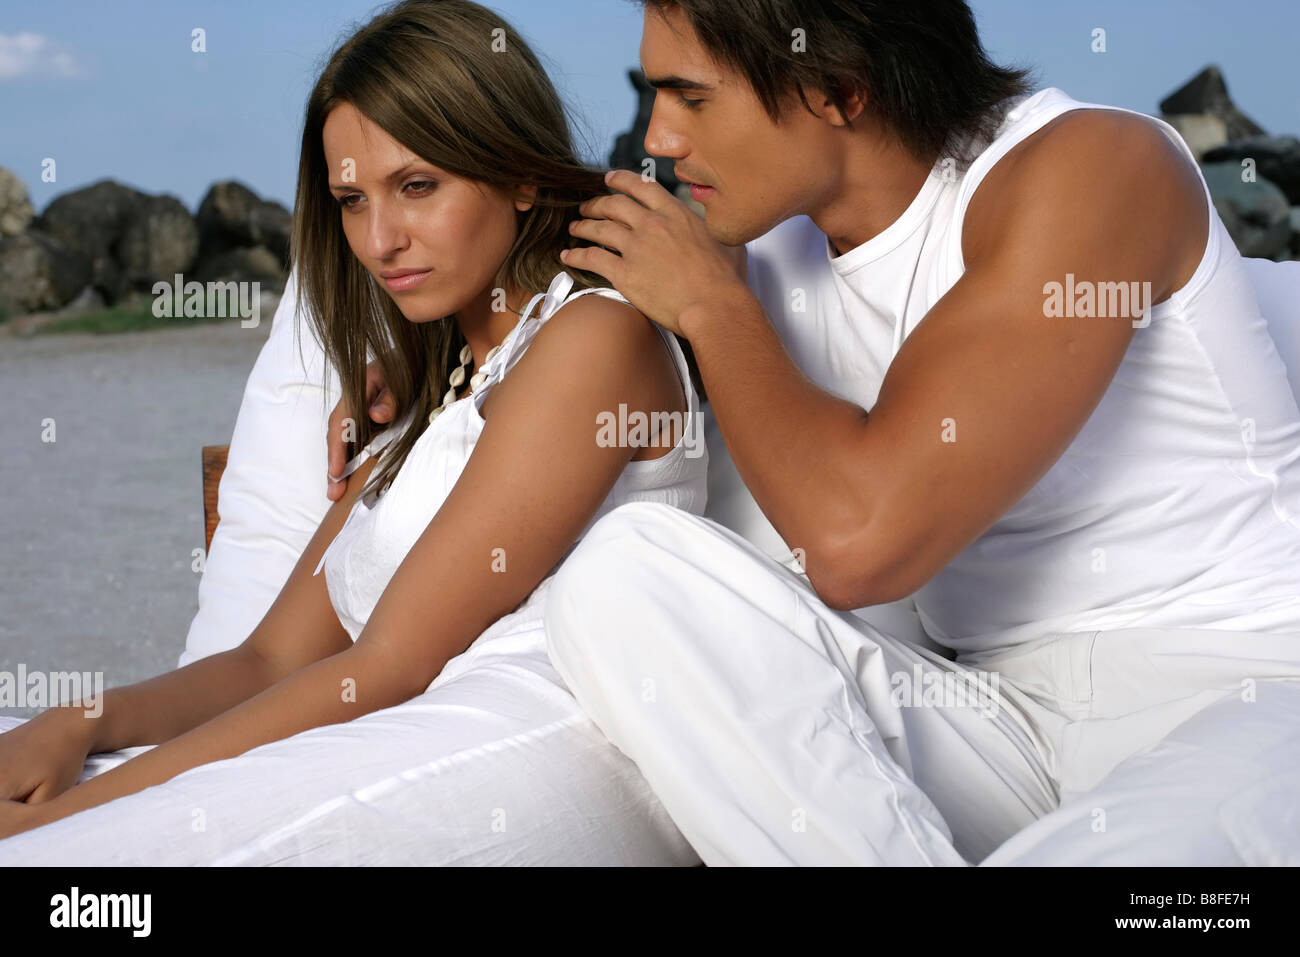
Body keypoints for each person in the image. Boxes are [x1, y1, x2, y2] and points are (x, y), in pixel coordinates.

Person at [329, 0, 1300, 864]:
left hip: (1239, 686)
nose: (659, 135)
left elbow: (859, 543)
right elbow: (539, 247)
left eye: (689, 97)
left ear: (838, 88)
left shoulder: (1093, 168)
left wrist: (716, 310)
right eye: (651, 93)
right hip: (995, 716)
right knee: (623, 574)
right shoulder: (762, 230)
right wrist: (434, 379)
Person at [0, 0, 708, 865]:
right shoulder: (425, 397)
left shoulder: (592, 339)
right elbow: (267, 660)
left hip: (539, 768)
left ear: (520, 177)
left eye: (418, 186)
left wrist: (75, 815)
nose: (380, 240)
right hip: (409, 741)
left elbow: (389, 664)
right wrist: (84, 718)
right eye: (350, 200)